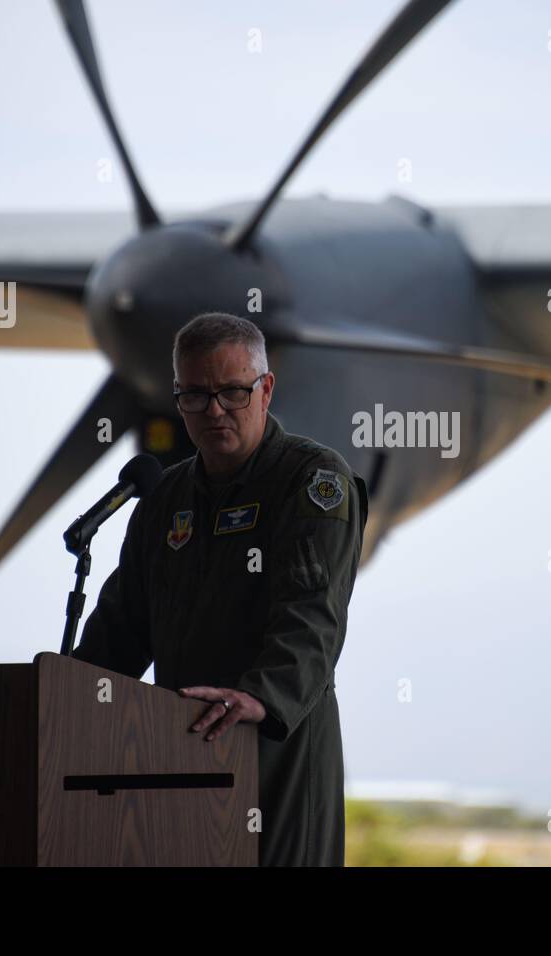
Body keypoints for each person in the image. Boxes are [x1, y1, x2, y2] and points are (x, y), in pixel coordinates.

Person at [72, 311, 368, 866]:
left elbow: (312, 618)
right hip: (178, 760)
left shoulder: (311, 482)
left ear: (266, 389)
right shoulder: (163, 500)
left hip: (274, 754)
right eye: (195, 396)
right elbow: (118, 633)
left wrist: (260, 696)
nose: (214, 411)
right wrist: (62, 702)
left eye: (232, 392)